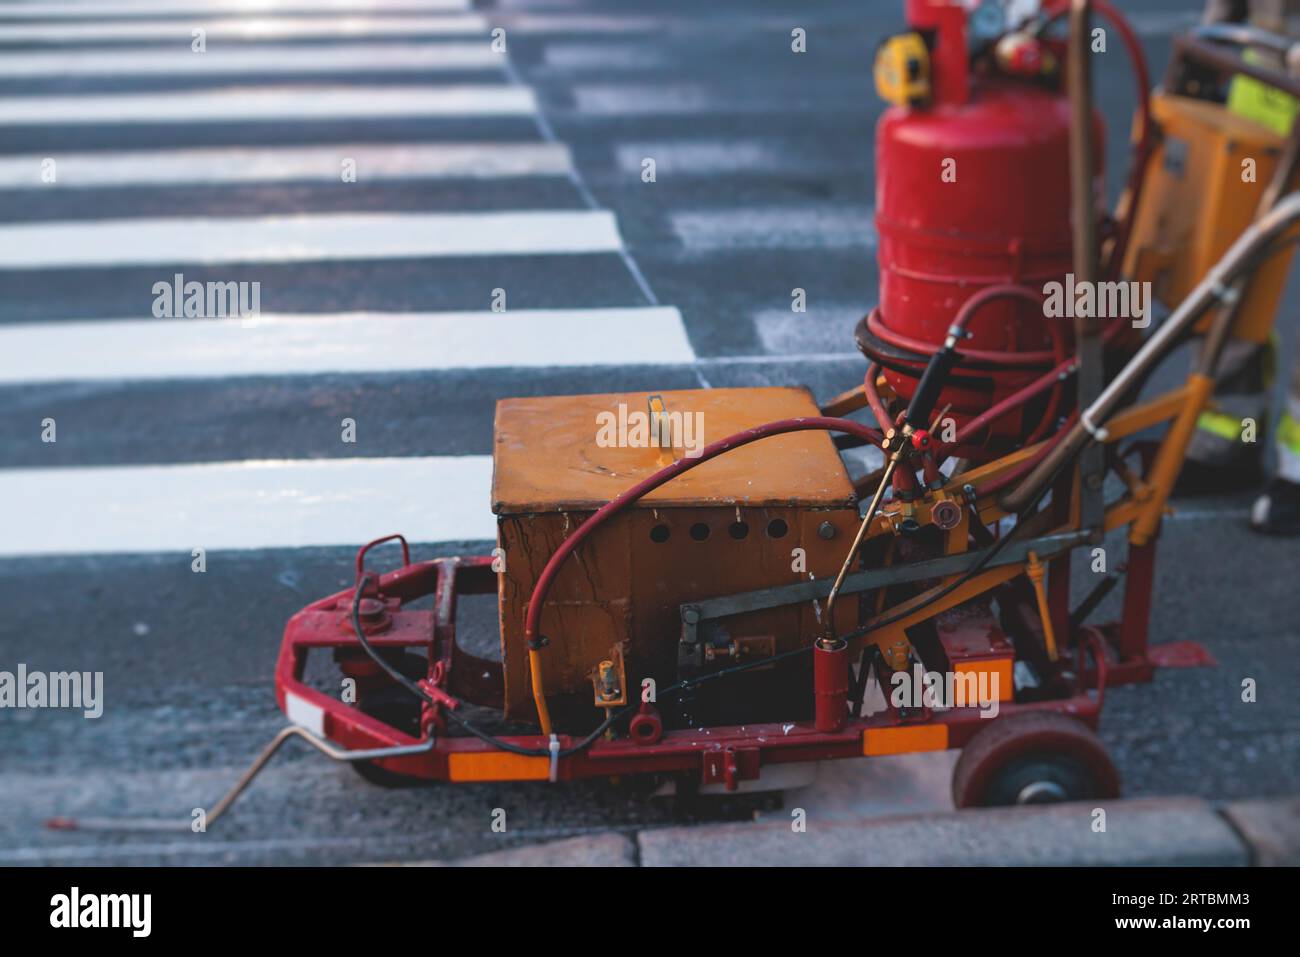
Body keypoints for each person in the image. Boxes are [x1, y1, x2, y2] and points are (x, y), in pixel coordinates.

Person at [1178, 0, 1300, 534]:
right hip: (1266, 69)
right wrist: (1213, 42)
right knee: (1234, 266)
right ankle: (1230, 438)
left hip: (1272, 62)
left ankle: (1298, 468)